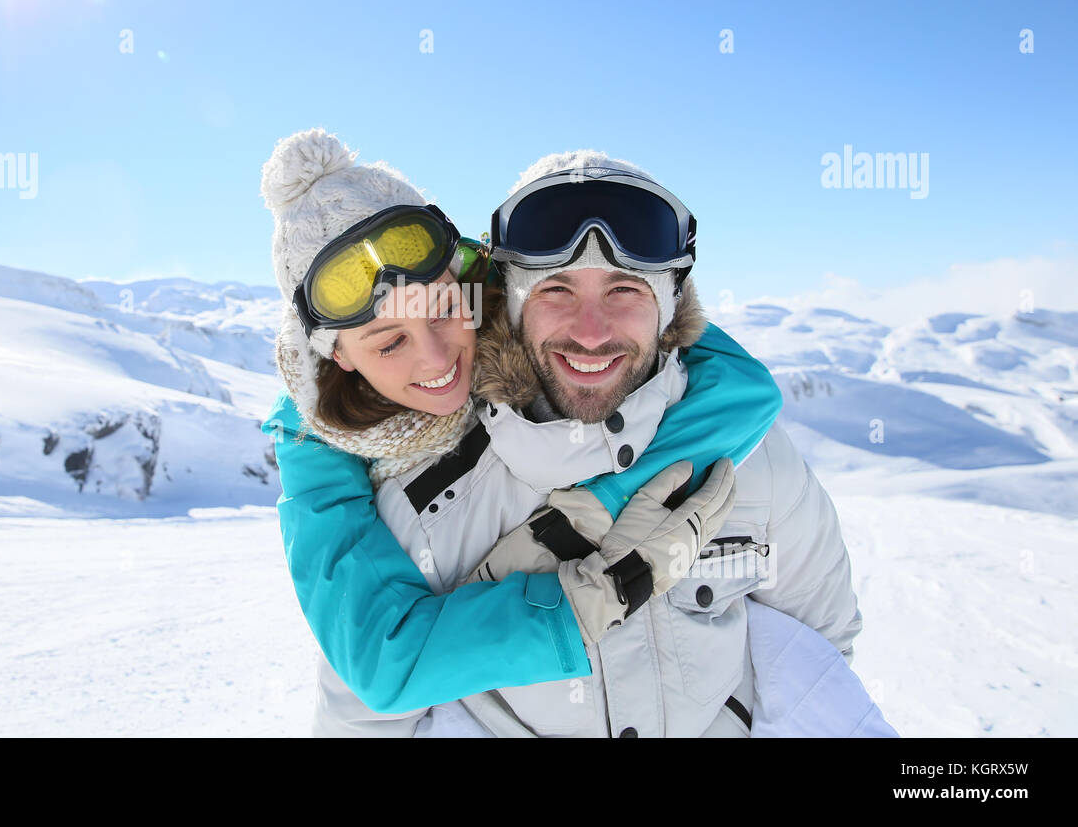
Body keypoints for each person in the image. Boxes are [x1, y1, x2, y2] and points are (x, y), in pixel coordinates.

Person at [260, 129, 892, 736]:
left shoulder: (753, 459)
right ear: (508, 302)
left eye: (625, 290)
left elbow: (818, 655)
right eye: (555, 289)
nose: (591, 332)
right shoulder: (422, 509)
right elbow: (366, 711)